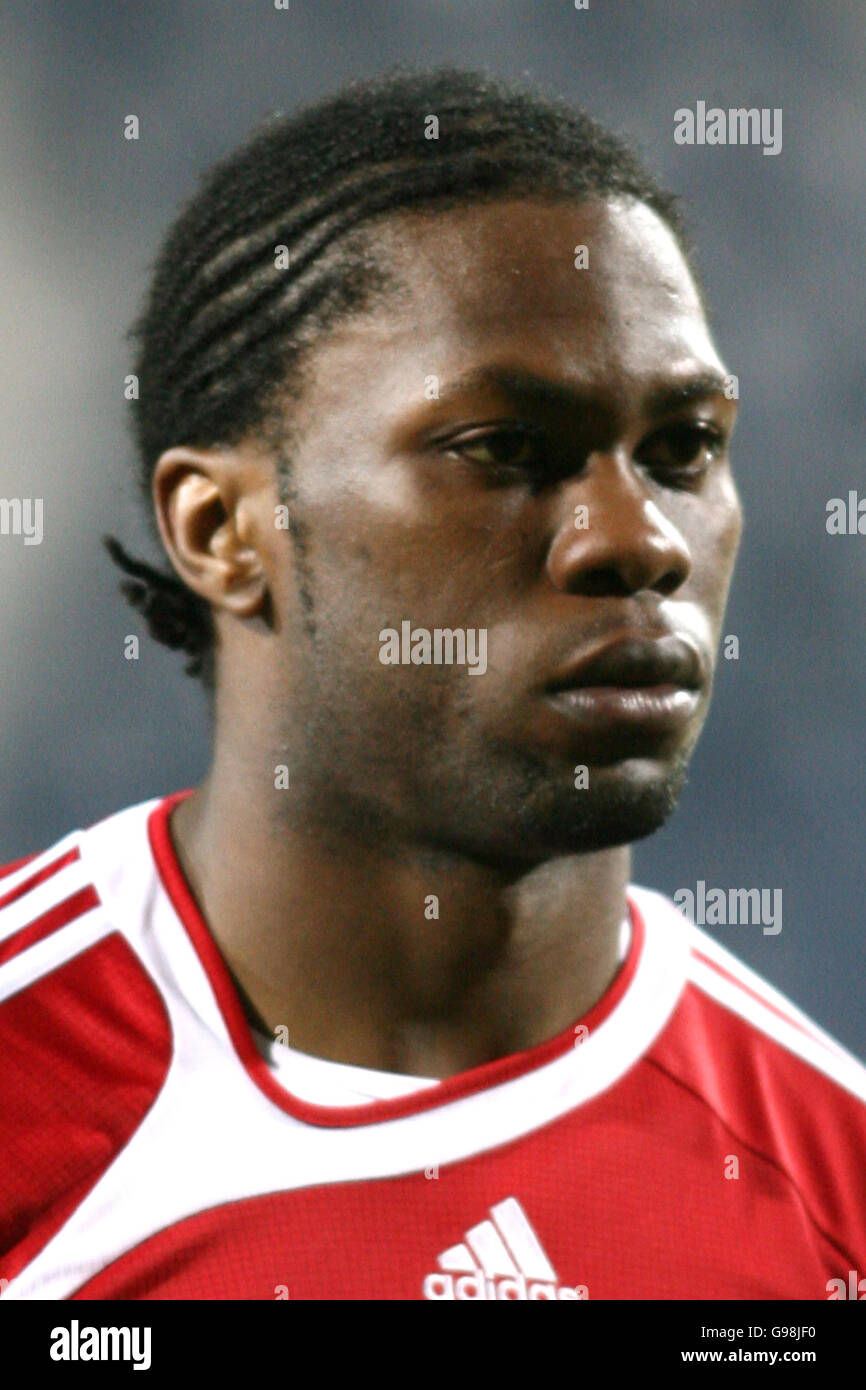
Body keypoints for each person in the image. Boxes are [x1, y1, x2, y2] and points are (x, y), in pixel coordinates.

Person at [2, 68, 863, 1302]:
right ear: (221, 530)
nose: (638, 540)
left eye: (681, 449)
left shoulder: (831, 1203)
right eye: (503, 449)